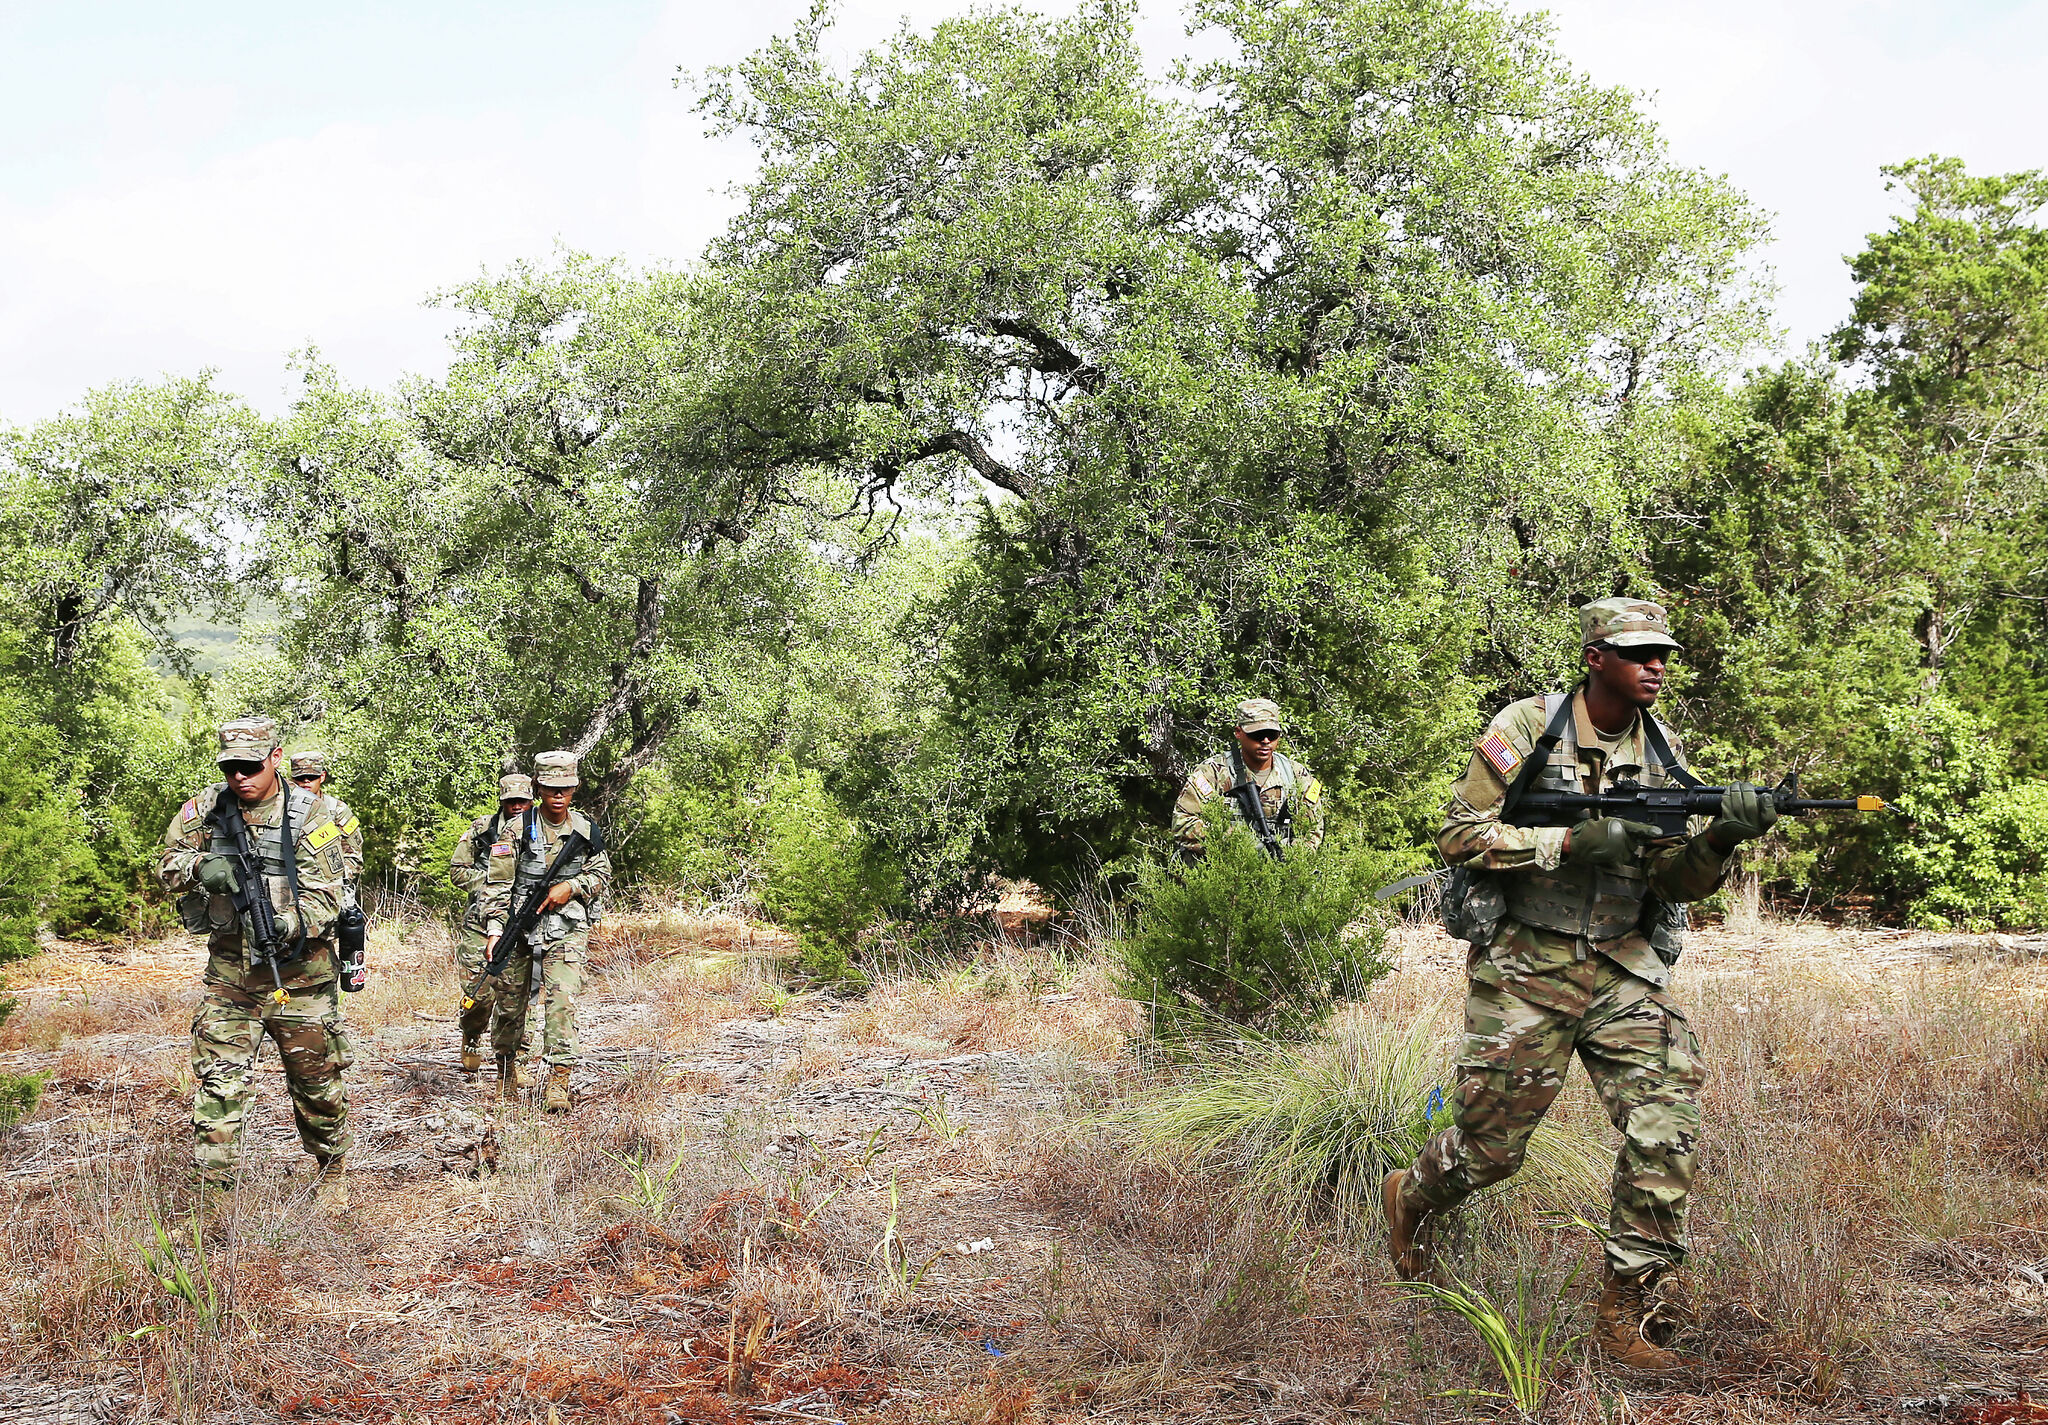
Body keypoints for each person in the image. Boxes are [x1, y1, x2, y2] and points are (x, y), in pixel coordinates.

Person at [1382, 597, 1780, 1373]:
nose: (1656, 665)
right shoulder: (1529, 727)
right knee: (1491, 1150)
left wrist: (1723, 838)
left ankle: (1626, 1311)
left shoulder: (1664, 751)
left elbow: (1675, 877)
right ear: (1596, 657)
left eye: (1663, 654)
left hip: (1621, 962)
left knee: (1666, 1116)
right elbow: (1458, 833)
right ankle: (1413, 1195)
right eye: (1639, 653)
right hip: (1526, 963)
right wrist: (1565, 841)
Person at [159, 716, 356, 1208]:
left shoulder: (312, 814)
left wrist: (289, 923)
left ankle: (332, 1171)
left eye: (250, 766)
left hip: (302, 976)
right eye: (230, 768)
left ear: (275, 758)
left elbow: (331, 895)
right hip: (231, 978)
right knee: (219, 1087)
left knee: (316, 1085)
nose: (239, 777)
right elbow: (164, 866)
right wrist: (198, 866)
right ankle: (215, 1196)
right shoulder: (205, 810)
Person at [481, 752, 610, 1112]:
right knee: (510, 1005)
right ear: (538, 788)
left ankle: (558, 1082)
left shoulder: (585, 829)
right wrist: (494, 930)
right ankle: (507, 1073)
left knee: (562, 1001)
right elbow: (497, 884)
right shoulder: (516, 829)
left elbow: (602, 873)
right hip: (519, 927)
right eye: (551, 788)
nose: (558, 795)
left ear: (575, 789)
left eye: (565, 788)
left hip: (567, 927)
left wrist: (572, 886)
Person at [449, 774, 538, 1088]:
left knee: (517, 999)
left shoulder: (541, 831)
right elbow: (457, 871)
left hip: (524, 926)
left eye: (523, 801)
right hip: (481, 922)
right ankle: (472, 1034)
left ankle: (515, 1062)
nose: (517, 807)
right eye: (511, 801)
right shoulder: (482, 829)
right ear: (502, 802)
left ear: (532, 801)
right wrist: (495, 884)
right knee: (479, 993)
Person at [1171, 698, 1324, 857]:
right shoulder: (1213, 772)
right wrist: (1228, 839)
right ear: (1238, 732)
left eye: (1272, 735)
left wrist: (1291, 858)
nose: (1265, 741)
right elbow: (1182, 822)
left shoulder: (1295, 775)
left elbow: (1312, 829)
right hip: (1224, 864)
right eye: (1257, 735)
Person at [287, 750, 363, 902]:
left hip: (330, 891)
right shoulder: (285, 809)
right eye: (300, 778)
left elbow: (354, 857)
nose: (306, 782)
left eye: (312, 777)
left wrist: (336, 880)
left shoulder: (337, 810)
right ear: (292, 779)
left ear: (322, 777)